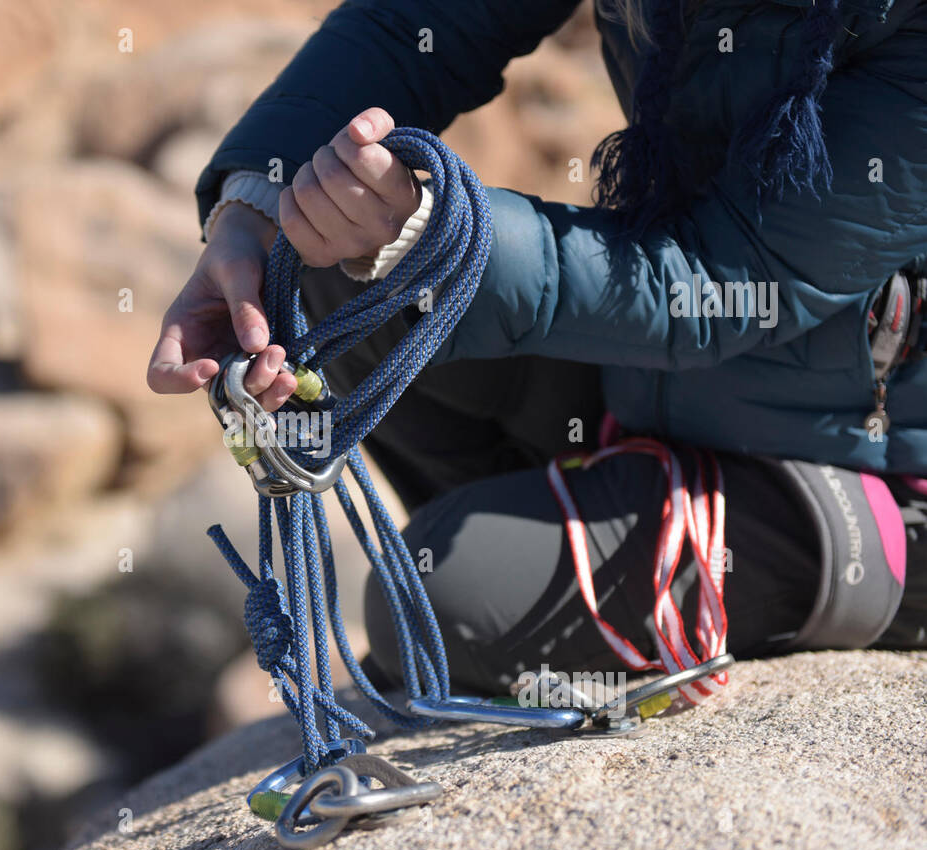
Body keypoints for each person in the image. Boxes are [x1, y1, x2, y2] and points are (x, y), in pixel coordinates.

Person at [147, 0, 927, 695]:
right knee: (331, 266)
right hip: (655, 384)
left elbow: (724, 282)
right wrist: (255, 203)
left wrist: (440, 236)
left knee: (429, 604)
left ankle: (542, 565)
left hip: (857, 461)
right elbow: (414, 23)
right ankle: (546, 527)